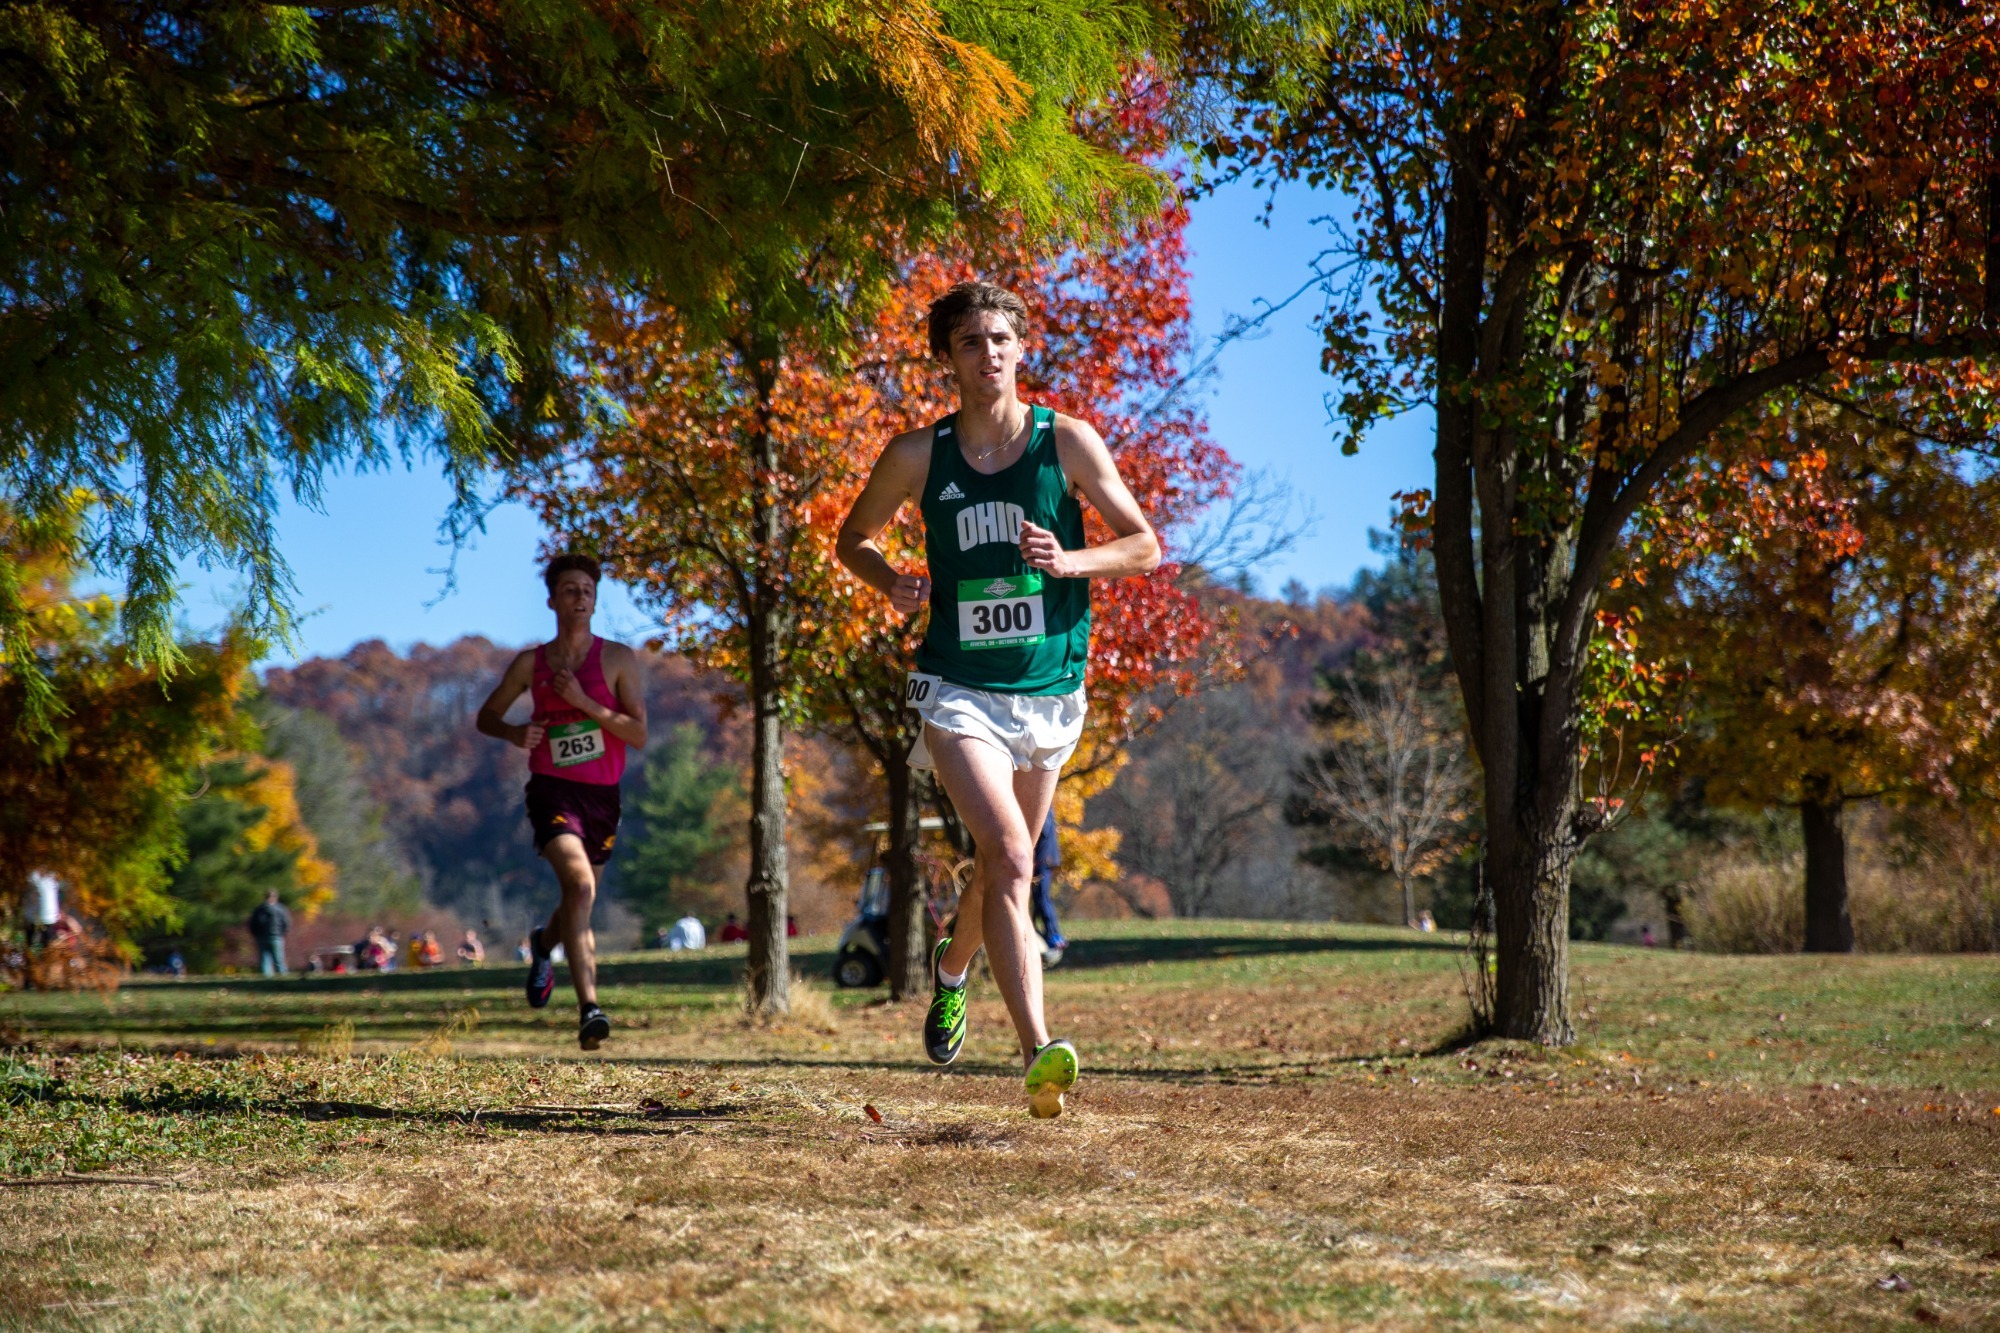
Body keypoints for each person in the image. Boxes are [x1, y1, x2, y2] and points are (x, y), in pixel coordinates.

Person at [835, 281, 1161, 1118]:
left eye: (1000, 339)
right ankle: (1037, 1052)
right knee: (1014, 854)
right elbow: (854, 538)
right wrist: (891, 582)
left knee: (998, 867)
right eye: (971, 341)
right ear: (947, 357)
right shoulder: (918, 455)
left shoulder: (1069, 442)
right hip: (959, 690)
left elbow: (1144, 545)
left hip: (1050, 690)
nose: (988, 354)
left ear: (1021, 350)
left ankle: (951, 969)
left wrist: (1072, 562)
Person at [476, 553, 649, 1050]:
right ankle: (589, 1008)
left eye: (588, 590)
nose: (580, 597)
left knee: (581, 896)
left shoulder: (617, 659)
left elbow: (637, 733)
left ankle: (542, 943)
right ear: (552, 600)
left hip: (603, 797)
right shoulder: (531, 663)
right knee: (577, 884)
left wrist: (585, 705)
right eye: (570, 589)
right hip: (551, 788)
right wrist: (513, 732)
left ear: (595, 601)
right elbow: (486, 716)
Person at [1029, 808, 1066, 951]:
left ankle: (1053, 935)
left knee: (1042, 898)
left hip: (1043, 861)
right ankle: (1047, 932)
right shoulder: (1046, 808)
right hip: (1045, 860)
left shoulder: (1042, 808)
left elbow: (1039, 831)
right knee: (1040, 897)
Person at [247, 889, 291, 976]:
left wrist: (255, 934)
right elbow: (286, 923)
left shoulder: (259, 909)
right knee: (277, 958)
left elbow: (252, 923)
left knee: (266, 959)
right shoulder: (280, 909)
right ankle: (282, 975)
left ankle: (269, 976)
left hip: (265, 936)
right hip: (275, 936)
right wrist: (283, 933)